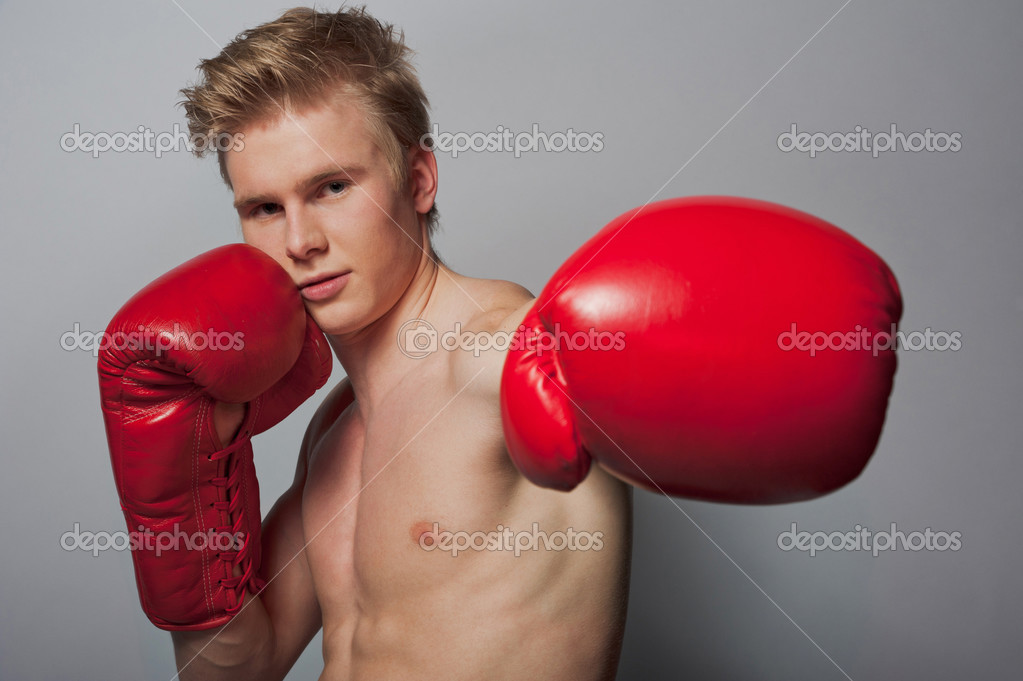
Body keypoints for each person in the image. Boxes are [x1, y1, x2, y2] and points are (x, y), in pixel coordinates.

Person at [97, 7, 901, 681]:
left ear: (419, 179)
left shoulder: (510, 359)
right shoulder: (334, 431)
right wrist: (197, 477)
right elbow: (236, 668)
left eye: (332, 187)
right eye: (263, 208)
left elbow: (728, 370)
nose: (299, 239)